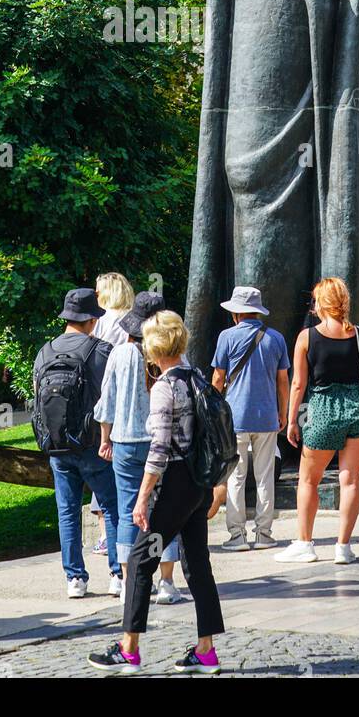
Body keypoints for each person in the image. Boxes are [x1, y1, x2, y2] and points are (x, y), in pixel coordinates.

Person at [88, 311, 224, 675]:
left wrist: (143, 497)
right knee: (197, 563)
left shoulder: (165, 386)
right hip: (198, 483)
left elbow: (160, 448)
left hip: (174, 487)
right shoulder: (194, 375)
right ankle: (206, 650)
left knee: (140, 561)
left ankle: (128, 649)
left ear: (154, 347)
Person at [277, 277, 359, 565]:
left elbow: (298, 383)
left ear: (319, 304)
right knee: (351, 481)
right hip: (358, 409)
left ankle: (305, 544)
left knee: (309, 480)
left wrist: (293, 419)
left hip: (322, 410)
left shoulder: (307, 337)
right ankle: (343, 548)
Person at [94, 290, 184, 604]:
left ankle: (127, 581)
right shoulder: (168, 358)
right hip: (161, 443)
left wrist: (105, 439)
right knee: (163, 512)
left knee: (127, 512)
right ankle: (166, 582)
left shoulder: (118, 354)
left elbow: (106, 404)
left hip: (124, 442)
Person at [33, 287, 123, 598]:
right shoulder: (101, 351)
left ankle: (75, 579)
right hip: (94, 443)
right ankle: (118, 574)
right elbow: (111, 398)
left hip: (57, 445)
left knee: (67, 510)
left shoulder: (44, 351)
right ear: (91, 320)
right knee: (111, 506)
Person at [210, 285, 289, 551]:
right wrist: (283, 411)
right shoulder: (276, 338)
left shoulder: (226, 337)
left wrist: (213, 410)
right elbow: (283, 382)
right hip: (267, 416)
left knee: (236, 477)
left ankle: (237, 536)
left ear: (236, 314)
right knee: (265, 476)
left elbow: (219, 378)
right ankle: (264, 534)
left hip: (234, 418)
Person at [93, 272, 135, 348]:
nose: (95, 296)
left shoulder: (98, 319)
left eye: (97, 293)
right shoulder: (137, 318)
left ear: (105, 294)